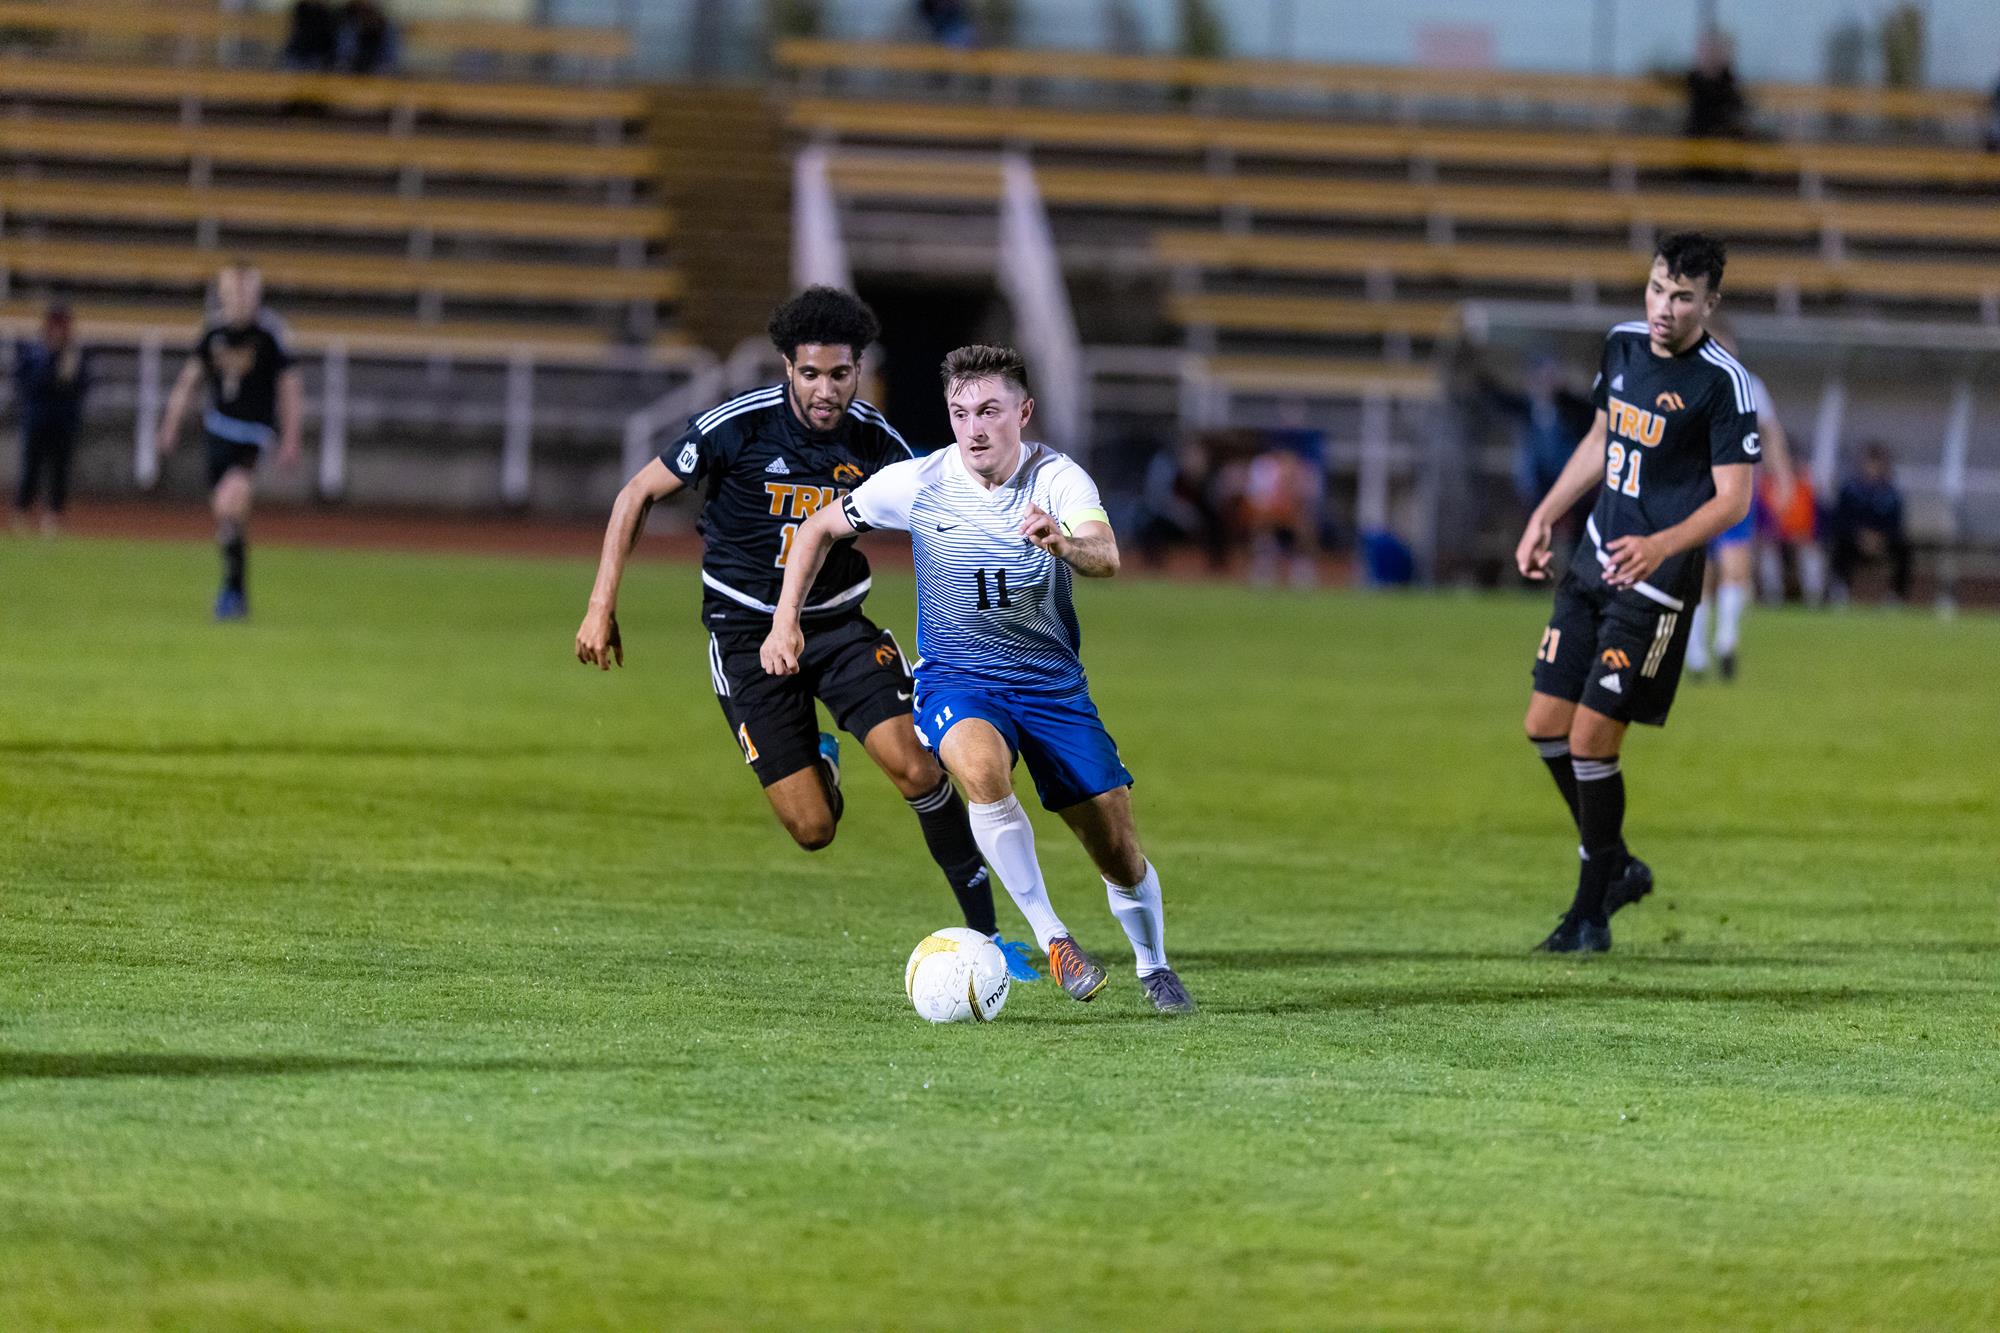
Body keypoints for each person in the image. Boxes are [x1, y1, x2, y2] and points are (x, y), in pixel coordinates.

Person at [573, 288, 1035, 982]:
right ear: (786, 366)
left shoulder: (877, 441)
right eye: (811, 373)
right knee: (813, 829)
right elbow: (635, 493)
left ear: (859, 369)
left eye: (840, 374)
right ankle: (818, 752)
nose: (826, 390)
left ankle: (989, 937)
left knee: (919, 767)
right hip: (742, 636)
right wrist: (600, 604)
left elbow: (950, 517)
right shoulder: (738, 427)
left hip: (840, 628)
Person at [762, 344, 1195, 1014]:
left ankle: (1154, 965)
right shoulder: (921, 482)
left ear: (1023, 411)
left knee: (1118, 850)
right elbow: (818, 528)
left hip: (1053, 687)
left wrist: (1064, 543)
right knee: (981, 770)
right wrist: (785, 617)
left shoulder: (1057, 479)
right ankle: (1054, 938)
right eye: (961, 412)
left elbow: (1106, 555)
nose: (975, 428)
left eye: (990, 410)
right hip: (958, 679)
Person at [1515, 232, 1761, 954]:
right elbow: (1599, 439)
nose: (1664, 307)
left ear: (1709, 303)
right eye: (1657, 289)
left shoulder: (1723, 383)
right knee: (1543, 723)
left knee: (1593, 736)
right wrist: (1545, 513)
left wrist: (1659, 544)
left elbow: (1734, 501)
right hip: (1592, 563)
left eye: (1683, 297)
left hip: (1653, 587)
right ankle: (1616, 861)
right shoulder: (1621, 345)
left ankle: (1590, 913)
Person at [158, 262, 303, 620]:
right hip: (218, 430)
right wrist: (171, 423)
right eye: (233, 291)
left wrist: (290, 437)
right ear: (222, 294)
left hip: (253, 434)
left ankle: (232, 594)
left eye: (247, 291)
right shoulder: (214, 332)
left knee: (230, 501)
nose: (240, 299)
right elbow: (189, 379)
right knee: (228, 518)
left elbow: (290, 387)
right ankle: (235, 591)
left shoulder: (270, 335)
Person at [1685, 330, 1796, 680]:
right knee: (1702, 574)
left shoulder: (1749, 385)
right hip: (1696, 492)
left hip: (1735, 488)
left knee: (1737, 568)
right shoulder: (1687, 384)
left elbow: (1771, 431)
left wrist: (1783, 477)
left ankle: (1726, 639)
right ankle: (1698, 651)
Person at [11, 304, 89, 537]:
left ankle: (53, 515)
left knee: (59, 470)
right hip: (37, 417)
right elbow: (25, 383)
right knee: (31, 467)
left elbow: (83, 385)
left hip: (64, 420)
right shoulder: (34, 351)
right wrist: (51, 362)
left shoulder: (75, 353)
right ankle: (22, 512)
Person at [1828, 442, 1912, 603]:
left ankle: (1896, 596)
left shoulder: (1891, 493)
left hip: (1882, 541)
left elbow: (1896, 523)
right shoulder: (1850, 490)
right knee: (1840, 544)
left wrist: (1879, 537)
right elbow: (1840, 519)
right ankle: (1840, 589)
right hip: (1854, 540)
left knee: (1904, 548)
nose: (1872, 468)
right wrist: (1860, 535)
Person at [1685, 29, 1749, 140]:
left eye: (1716, 50)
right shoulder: (1692, 82)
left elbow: (1739, 114)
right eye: (1707, 50)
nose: (1711, 55)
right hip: (1695, 143)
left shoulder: (1730, 84)